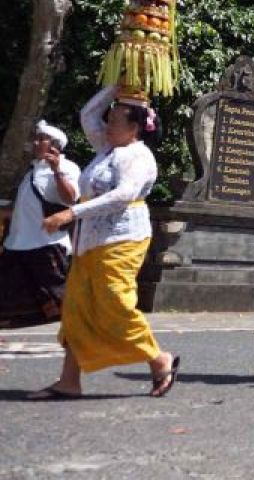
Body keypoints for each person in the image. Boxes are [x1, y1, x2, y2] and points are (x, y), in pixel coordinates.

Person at [29, 86, 178, 399]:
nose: (107, 125)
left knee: (115, 303)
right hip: (88, 241)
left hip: (122, 239)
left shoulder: (139, 156)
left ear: (134, 127)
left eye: (115, 121)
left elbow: (123, 195)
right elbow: (87, 115)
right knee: (77, 306)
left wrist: (71, 213)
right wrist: (116, 86)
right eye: (108, 119)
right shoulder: (106, 149)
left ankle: (158, 358)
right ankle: (69, 380)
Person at [0, 121, 80, 321]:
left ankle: (80, 329)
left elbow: (71, 198)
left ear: (55, 146)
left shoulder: (68, 167)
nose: (35, 143)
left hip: (46, 244)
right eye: (35, 138)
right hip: (17, 244)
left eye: (41, 139)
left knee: (58, 299)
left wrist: (57, 170)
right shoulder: (31, 172)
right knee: (12, 299)